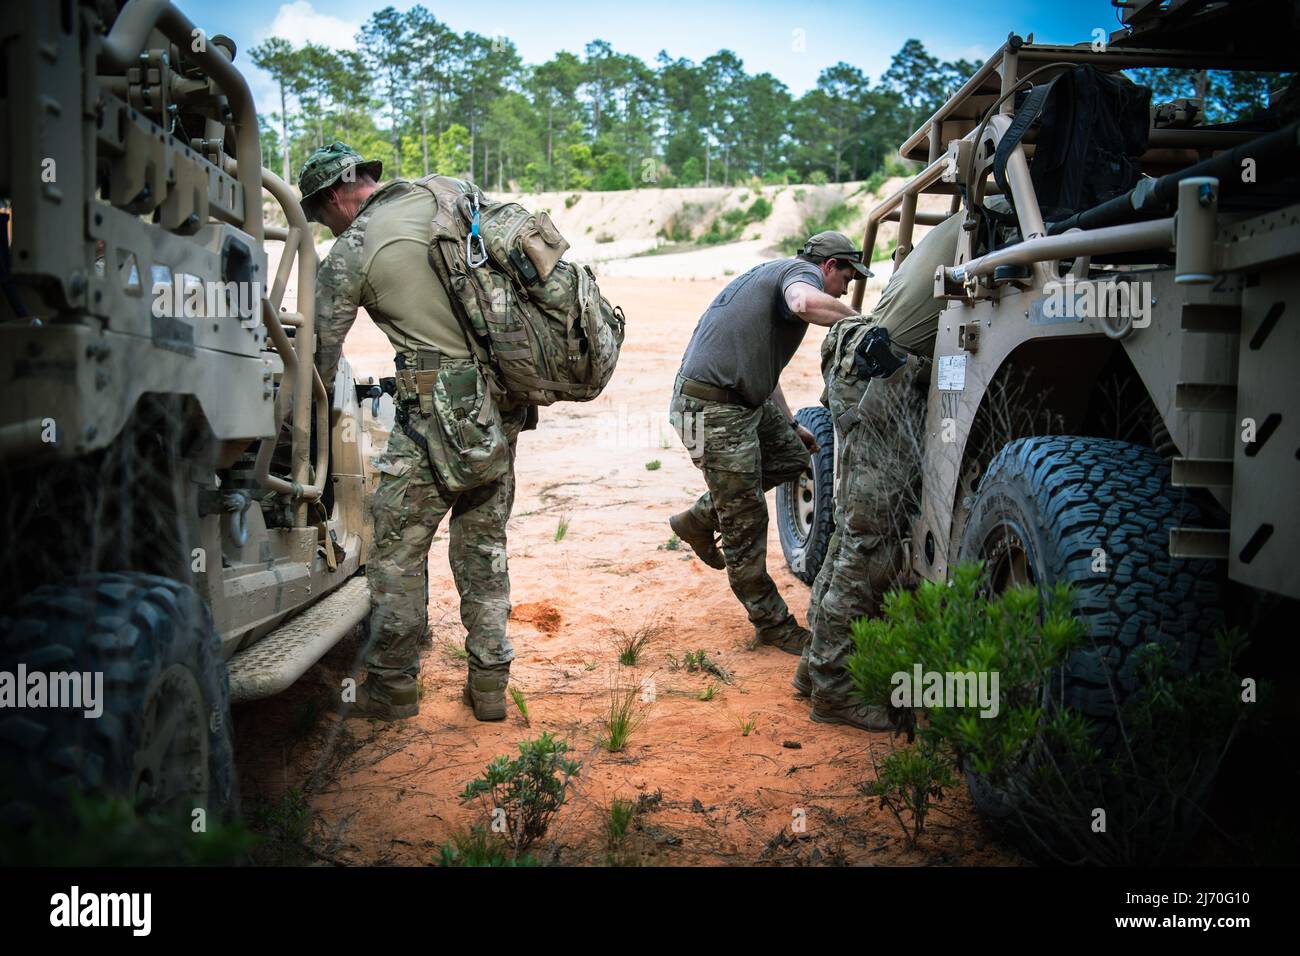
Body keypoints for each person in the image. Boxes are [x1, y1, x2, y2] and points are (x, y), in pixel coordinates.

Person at [302, 141, 526, 722]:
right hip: (504, 396)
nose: (325, 228)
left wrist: (299, 427)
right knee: (484, 544)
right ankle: (490, 686)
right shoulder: (445, 193)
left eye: (320, 216)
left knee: (396, 547)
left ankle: (395, 687)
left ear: (333, 198)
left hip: (435, 398)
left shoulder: (351, 252)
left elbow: (320, 360)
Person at [795, 212, 962, 730]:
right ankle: (834, 691)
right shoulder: (1007, 212)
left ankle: (813, 670)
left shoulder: (961, 221)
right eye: (845, 272)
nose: (849, 282)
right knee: (870, 540)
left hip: (869, 371)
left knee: (853, 531)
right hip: (884, 377)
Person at [668, 232, 870, 654]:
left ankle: (701, 517)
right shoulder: (800, 275)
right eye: (847, 277)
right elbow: (804, 302)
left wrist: (792, 422)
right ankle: (772, 623)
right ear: (828, 266)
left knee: (792, 457)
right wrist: (860, 323)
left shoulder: (774, 274)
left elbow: (766, 367)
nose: (846, 287)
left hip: (742, 402)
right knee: (746, 521)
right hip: (710, 411)